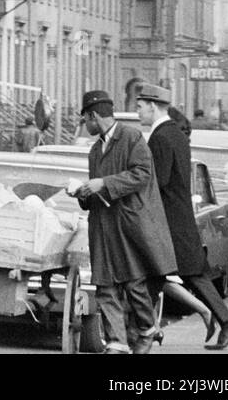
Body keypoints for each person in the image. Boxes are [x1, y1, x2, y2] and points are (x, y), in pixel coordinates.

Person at [69, 90, 177, 354]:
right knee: (105, 286)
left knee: (133, 282)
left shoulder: (131, 137)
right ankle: (117, 343)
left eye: (86, 120)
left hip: (128, 225)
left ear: (94, 116)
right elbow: (96, 191)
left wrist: (103, 183)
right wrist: (83, 193)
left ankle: (148, 328)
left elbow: (142, 174)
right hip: (102, 226)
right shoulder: (95, 150)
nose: (86, 126)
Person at [140, 84, 228, 350]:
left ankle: (145, 332)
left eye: (140, 106)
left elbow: (159, 182)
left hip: (169, 223)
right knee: (185, 274)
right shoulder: (175, 133)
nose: (138, 111)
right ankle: (222, 321)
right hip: (180, 219)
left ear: (152, 106)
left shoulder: (160, 137)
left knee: (150, 274)